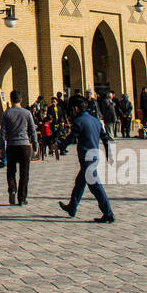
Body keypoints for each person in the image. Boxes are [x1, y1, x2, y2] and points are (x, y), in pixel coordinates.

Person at [59, 94, 115, 223]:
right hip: (95, 156)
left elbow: (71, 138)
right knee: (80, 182)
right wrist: (109, 154)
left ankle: (108, 213)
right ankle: (72, 207)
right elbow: (105, 138)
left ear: (76, 108)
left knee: (95, 186)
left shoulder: (78, 121)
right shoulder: (95, 120)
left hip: (86, 157)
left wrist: (60, 146)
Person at [1, 90, 38, 205]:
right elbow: (32, 130)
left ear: (10, 100)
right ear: (21, 100)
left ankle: (12, 189)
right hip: (24, 145)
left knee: (11, 171)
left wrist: (2, 147)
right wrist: (35, 145)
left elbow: (2, 133)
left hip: (12, 145)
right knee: (24, 172)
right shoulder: (27, 113)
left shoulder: (6, 113)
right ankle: (22, 198)